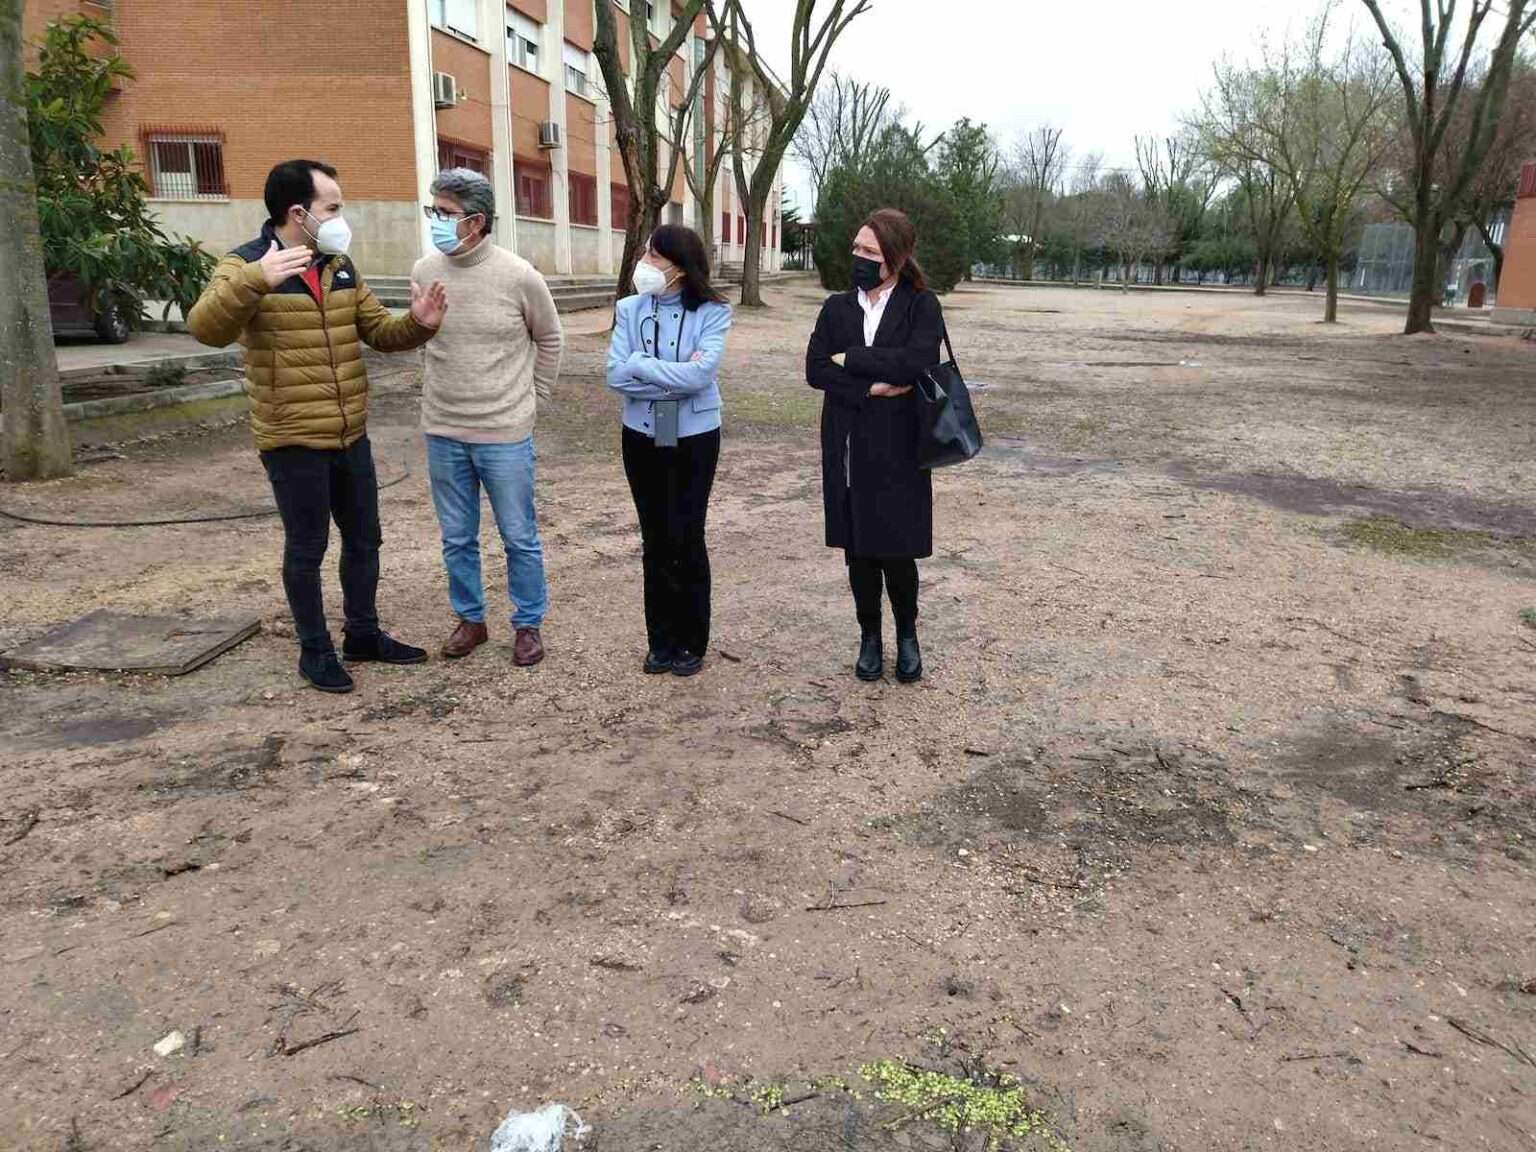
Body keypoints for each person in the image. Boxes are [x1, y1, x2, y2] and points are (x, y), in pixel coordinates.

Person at [187, 159, 446, 694]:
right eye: (333, 207)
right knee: (307, 547)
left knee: (365, 539)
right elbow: (205, 328)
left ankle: (363, 635)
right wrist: (258, 281)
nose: (340, 217)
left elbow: (376, 329)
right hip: (292, 437)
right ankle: (315, 651)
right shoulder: (245, 265)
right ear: (298, 212)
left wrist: (419, 323)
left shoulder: (339, 264)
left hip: (350, 431)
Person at [413, 168, 564, 667]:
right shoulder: (424, 270)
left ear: (475, 221)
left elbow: (549, 338)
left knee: (518, 535)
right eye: (432, 210)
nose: (435, 220)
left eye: (445, 213)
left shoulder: (519, 275)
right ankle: (470, 619)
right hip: (443, 429)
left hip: (504, 431)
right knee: (457, 537)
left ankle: (528, 624)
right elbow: (420, 339)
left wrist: (534, 399)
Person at [804, 208, 943, 684]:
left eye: (869, 251)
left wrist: (854, 359)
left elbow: (917, 361)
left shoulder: (921, 305)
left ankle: (907, 635)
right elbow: (816, 369)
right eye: (856, 247)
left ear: (896, 258)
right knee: (859, 551)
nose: (858, 257)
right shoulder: (836, 308)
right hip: (847, 442)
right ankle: (869, 638)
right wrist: (868, 387)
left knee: (897, 551)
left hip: (901, 446)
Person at [606, 226, 732, 677]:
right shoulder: (628, 309)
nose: (644, 263)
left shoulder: (714, 312)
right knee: (655, 539)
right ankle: (660, 640)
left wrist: (640, 365)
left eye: (655, 256)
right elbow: (614, 375)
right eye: (645, 253)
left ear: (679, 267)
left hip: (696, 434)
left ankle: (691, 640)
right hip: (642, 432)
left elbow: (701, 377)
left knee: (688, 535)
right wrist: (667, 373)